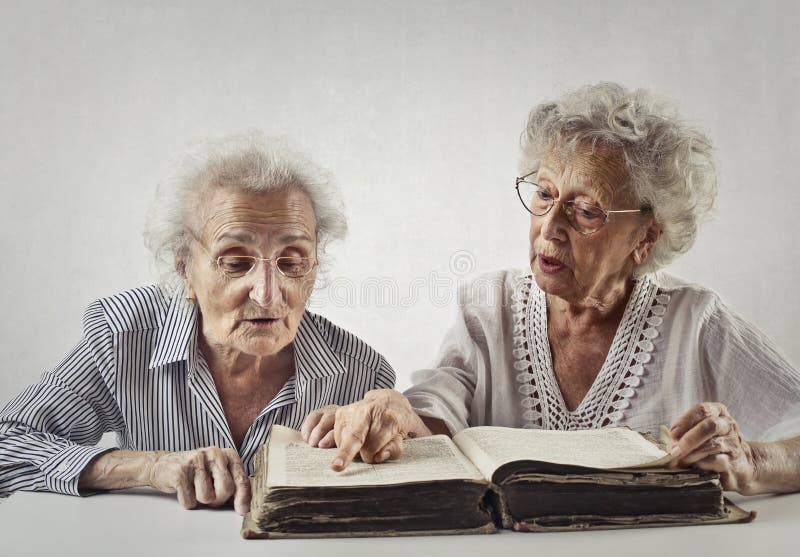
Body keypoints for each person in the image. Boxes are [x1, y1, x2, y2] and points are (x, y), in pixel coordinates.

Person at [302, 83, 800, 495]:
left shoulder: (696, 324)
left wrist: (751, 459)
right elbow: (437, 406)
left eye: (585, 210)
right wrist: (392, 410)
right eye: (544, 194)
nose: (549, 227)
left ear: (645, 237)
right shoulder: (489, 306)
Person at [0, 132, 395, 514]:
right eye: (236, 262)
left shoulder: (361, 376)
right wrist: (151, 467)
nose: (268, 293)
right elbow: (8, 446)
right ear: (185, 267)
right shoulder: (123, 338)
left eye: (292, 261)